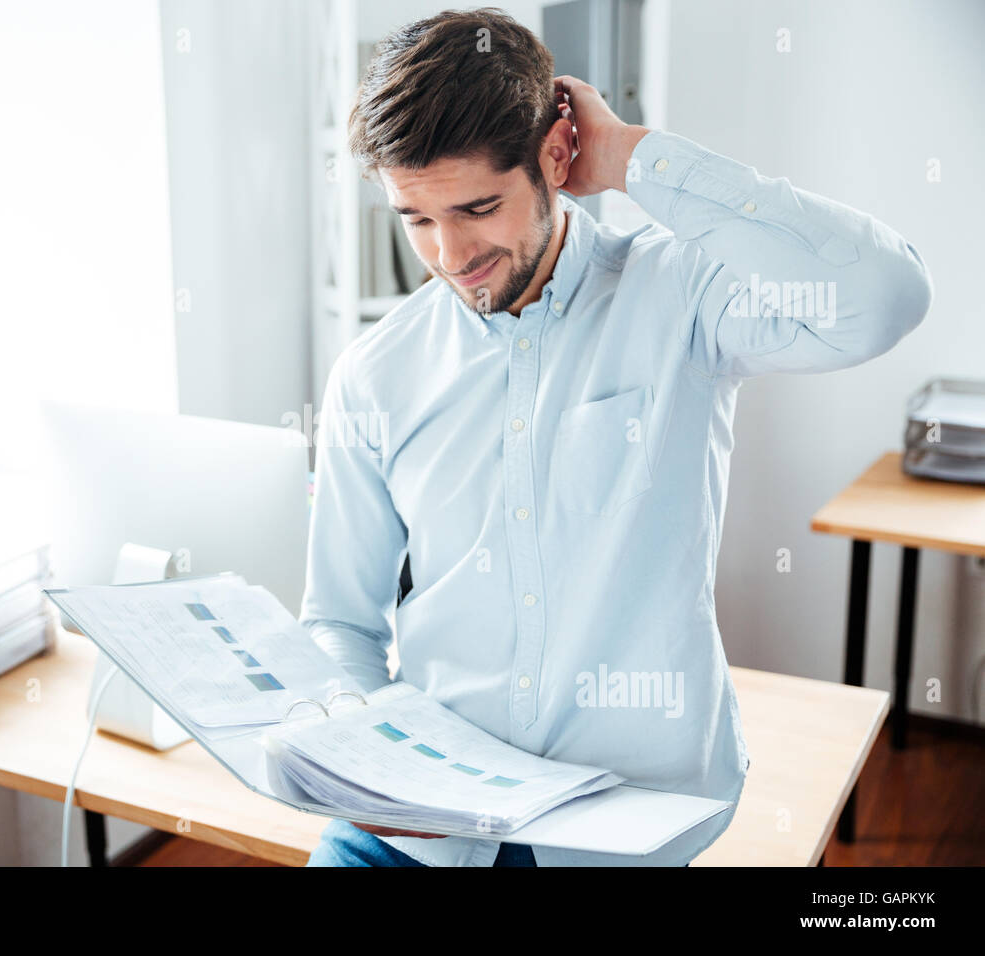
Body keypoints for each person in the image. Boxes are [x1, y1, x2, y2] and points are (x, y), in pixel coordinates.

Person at [300, 8, 932, 866]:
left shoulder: (681, 299)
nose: (449, 253)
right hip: (423, 828)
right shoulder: (374, 375)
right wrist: (373, 768)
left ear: (555, 158)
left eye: (479, 207)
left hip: (622, 828)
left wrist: (635, 157)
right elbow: (341, 619)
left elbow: (883, 296)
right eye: (415, 218)